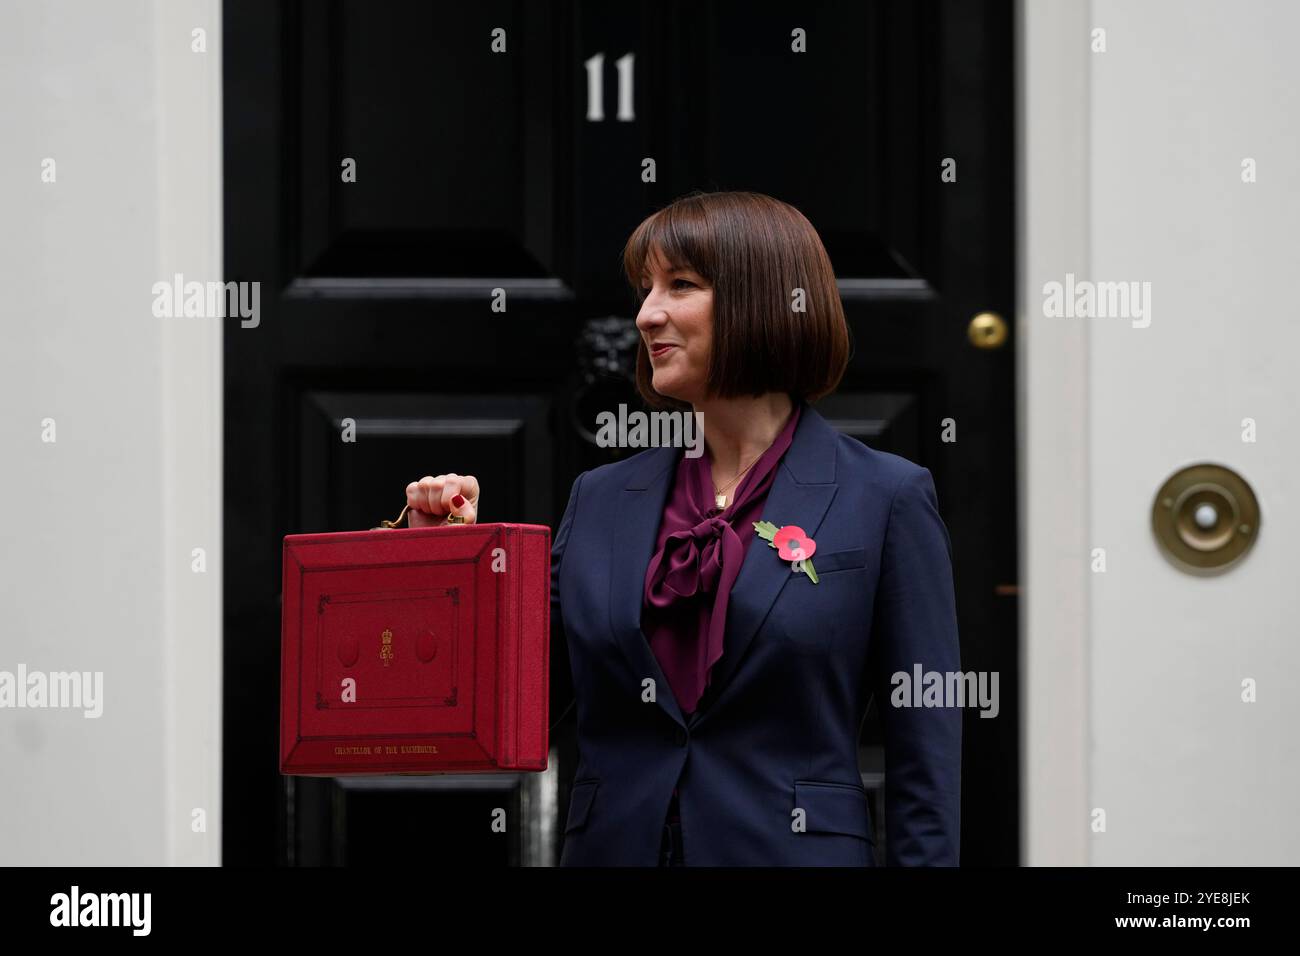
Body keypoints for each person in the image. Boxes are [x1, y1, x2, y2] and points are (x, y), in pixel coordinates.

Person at [403, 190, 961, 866]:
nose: (646, 314)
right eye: (645, 289)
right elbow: (508, 708)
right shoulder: (601, 499)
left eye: (681, 285)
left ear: (762, 299)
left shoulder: (887, 497)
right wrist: (444, 558)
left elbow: (925, 759)